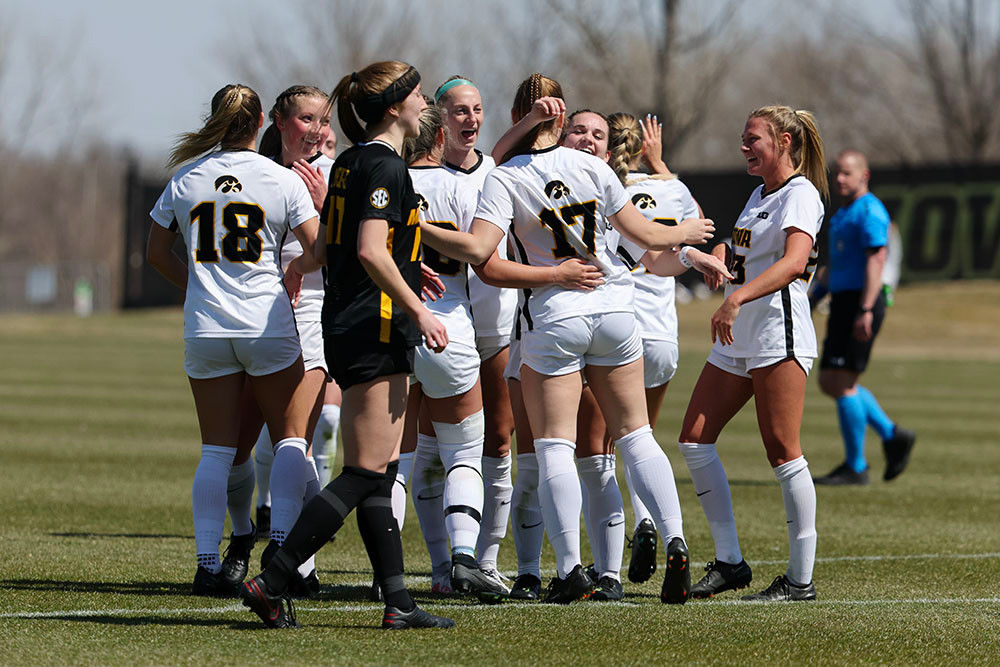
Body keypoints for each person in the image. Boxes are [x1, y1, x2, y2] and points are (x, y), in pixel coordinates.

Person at [420, 73, 728, 604]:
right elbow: (649, 238)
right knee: (634, 436)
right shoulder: (594, 168)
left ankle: (568, 570)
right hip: (613, 311)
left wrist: (411, 225)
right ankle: (675, 536)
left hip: (555, 317)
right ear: (562, 126)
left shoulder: (503, 176)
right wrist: (688, 235)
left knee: (553, 447)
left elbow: (481, 257)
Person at [239, 61, 454, 630]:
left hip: (350, 322)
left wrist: (408, 272)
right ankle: (275, 575)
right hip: (374, 328)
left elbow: (333, 244)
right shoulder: (384, 163)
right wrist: (416, 307)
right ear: (394, 108)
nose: (424, 101)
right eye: (416, 94)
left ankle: (398, 602)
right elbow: (366, 250)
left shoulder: (352, 163)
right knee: (363, 470)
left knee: (379, 469)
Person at [146, 84, 321, 596]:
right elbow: (319, 251)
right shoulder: (281, 179)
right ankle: (283, 564)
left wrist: (197, 286)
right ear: (263, 120)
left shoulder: (185, 177)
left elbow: (157, 253)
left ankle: (206, 565)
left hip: (206, 327)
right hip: (266, 323)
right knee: (290, 440)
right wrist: (296, 268)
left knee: (217, 451)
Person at [679, 105, 826, 603]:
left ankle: (800, 581)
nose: (744, 147)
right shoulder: (759, 193)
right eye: (743, 139)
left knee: (782, 450)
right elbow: (739, 247)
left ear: (784, 141)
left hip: (775, 334)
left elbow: (794, 262)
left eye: (753, 139)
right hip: (738, 338)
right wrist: (717, 259)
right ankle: (729, 562)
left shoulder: (800, 193)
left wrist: (737, 298)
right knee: (695, 440)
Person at [603, 112, 703, 590]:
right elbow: (702, 231)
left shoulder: (600, 186)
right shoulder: (676, 191)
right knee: (641, 438)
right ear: (645, 145)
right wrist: (662, 166)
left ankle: (623, 541)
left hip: (615, 327)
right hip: (662, 335)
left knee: (601, 448)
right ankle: (668, 534)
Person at [248, 85, 341, 597]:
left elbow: (350, 245)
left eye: (324, 121)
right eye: (307, 119)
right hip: (262, 316)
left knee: (300, 435)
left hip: (314, 312)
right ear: (280, 124)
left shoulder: (334, 174)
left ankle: (286, 558)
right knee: (279, 440)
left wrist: (327, 208)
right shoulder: (263, 174)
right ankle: (279, 555)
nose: (318, 131)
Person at [432, 76, 517, 588]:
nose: (471, 119)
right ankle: (444, 564)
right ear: (438, 119)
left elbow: (502, 152)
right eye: (459, 110)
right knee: (429, 452)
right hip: (448, 326)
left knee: (499, 443)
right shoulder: (417, 175)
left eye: (478, 109)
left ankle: (485, 560)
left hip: (498, 323)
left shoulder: (496, 173)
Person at [813, 149, 916, 485]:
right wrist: (814, 296)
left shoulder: (870, 211)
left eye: (846, 173)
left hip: (861, 302)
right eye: (836, 174)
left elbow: (876, 262)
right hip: (844, 301)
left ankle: (857, 466)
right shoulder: (843, 214)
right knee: (835, 380)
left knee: (840, 382)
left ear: (864, 175)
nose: (839, 179)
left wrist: (867, 309)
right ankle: (892, 435)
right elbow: (836, 264)